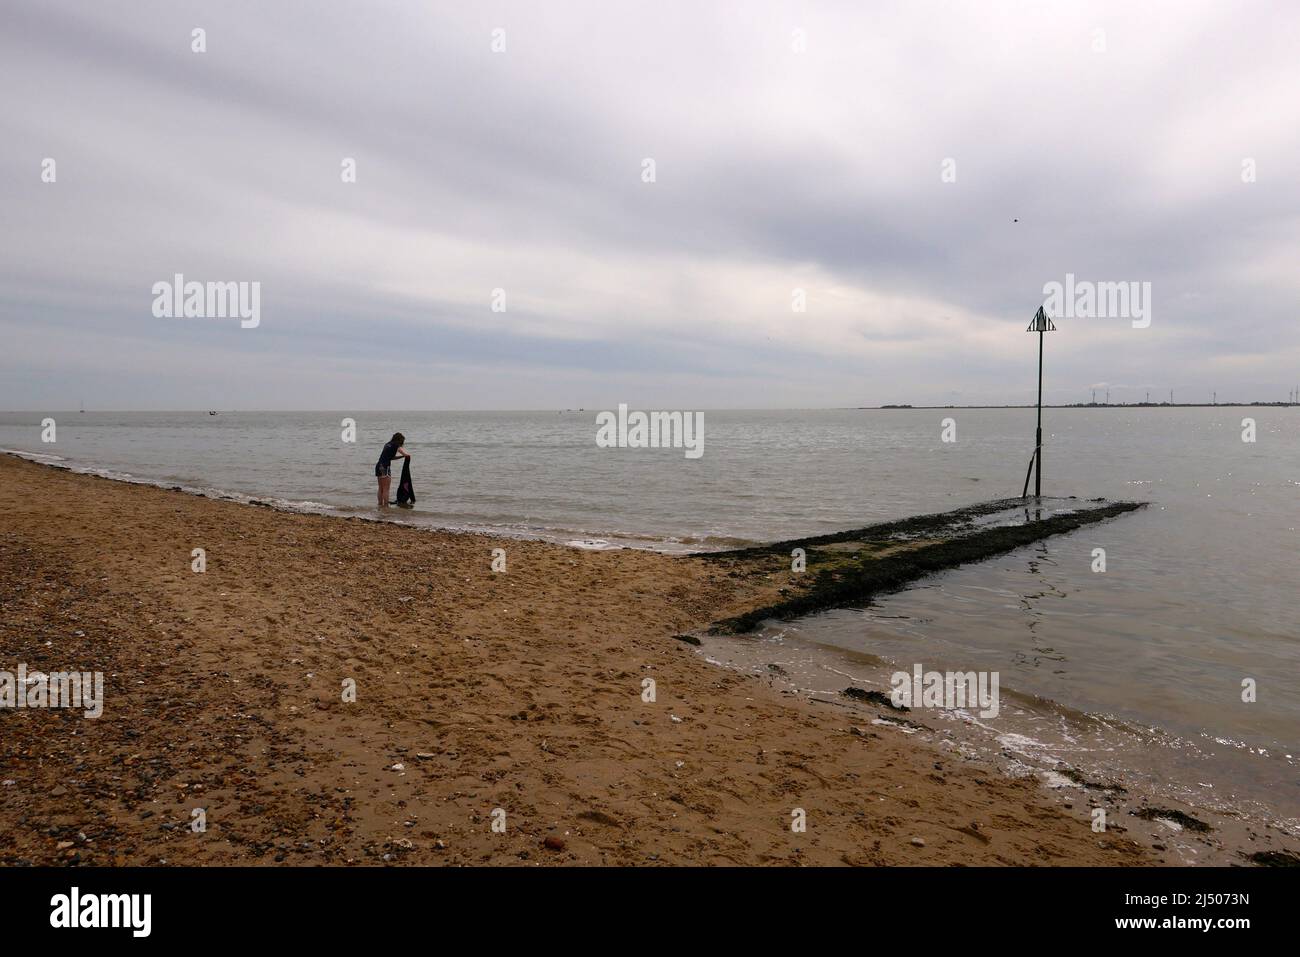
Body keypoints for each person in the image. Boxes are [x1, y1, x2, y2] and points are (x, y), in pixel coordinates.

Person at [375, 432, 410, 509]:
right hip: (385, 467)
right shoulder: (396, 445)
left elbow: (391, 457)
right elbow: (404, 452)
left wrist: (401, 457)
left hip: (378, 466)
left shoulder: (387, 444)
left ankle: (380, 505)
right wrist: (406, 455)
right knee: (386, 489)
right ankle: (386, 506)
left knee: (380, 488)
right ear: (400, 440)